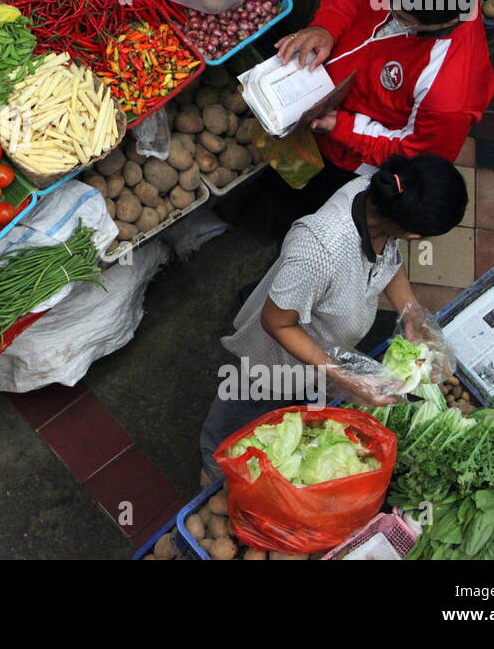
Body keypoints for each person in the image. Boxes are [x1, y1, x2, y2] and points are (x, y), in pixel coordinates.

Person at [199, 153, 468, 480]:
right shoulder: (320, 249)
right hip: (273, 359)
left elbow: (387, 258)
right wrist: (343, 376)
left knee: (288, 406)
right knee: (242, 409)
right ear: (414, 235)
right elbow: (276, 322)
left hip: (318, 355)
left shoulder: (379, 198)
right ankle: (212, 469)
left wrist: (411, 312)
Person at [273, 0, 494, 204]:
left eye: (399, 17)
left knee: (300, 197)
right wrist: (327, 27)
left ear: (434, 26)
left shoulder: (451, 94)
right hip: (316, 93)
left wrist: (344, 128)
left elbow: (415, 155)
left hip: (347, 154)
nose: (384, 6)